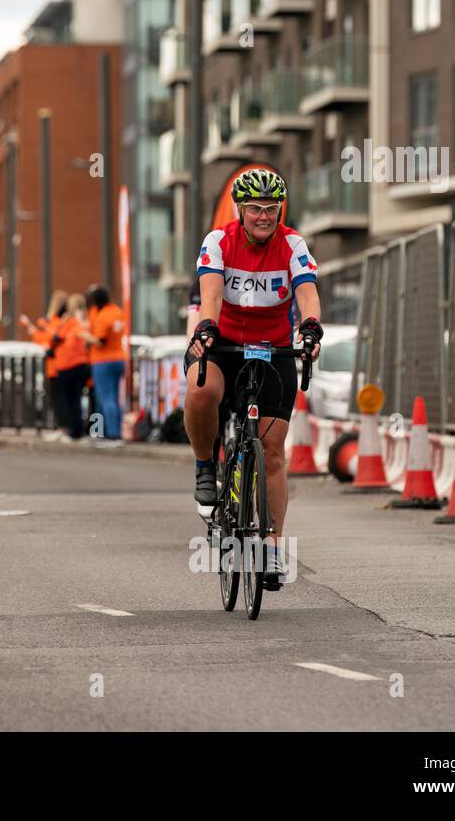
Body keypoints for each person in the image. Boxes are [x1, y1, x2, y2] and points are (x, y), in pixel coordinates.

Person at [183, 164, 322, 590]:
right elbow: (210, 297)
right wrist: (206, 328)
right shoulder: (219, 241)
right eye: (255, 208)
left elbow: (307, 294)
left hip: (272, 349)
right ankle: (207, 466)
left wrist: (311, 326)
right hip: (223, 346)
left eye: (272, 208)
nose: (264, 216)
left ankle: (273, 550)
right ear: (240, 209)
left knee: (273, 451)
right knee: (201, 390)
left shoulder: (293, 244)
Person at [77, 285, 127, 447]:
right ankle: (111, 433)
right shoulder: (117, 311)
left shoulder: (102, 316)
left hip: (103, 360)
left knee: (105, 398)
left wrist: (84, 335)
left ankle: (112, 435)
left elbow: (100, 341)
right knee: (113, 397)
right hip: (119, 358)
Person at [20, 290, 67, 438]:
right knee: (61, 399)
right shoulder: (62, 322)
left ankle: (63, 428)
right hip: (61, 366)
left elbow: (47, 340)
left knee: (59, 399)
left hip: (57, 366)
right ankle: (63, 427)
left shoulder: (54, 322)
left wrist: (33, 331)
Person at [51, 293, 92, 442]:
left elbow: (57, 337)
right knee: (85, 400)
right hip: (84, 363)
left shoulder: (71, 321)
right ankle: (90, 431)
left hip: (70, 364)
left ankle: (75, 431)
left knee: (72, 400)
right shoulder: (87, 319)